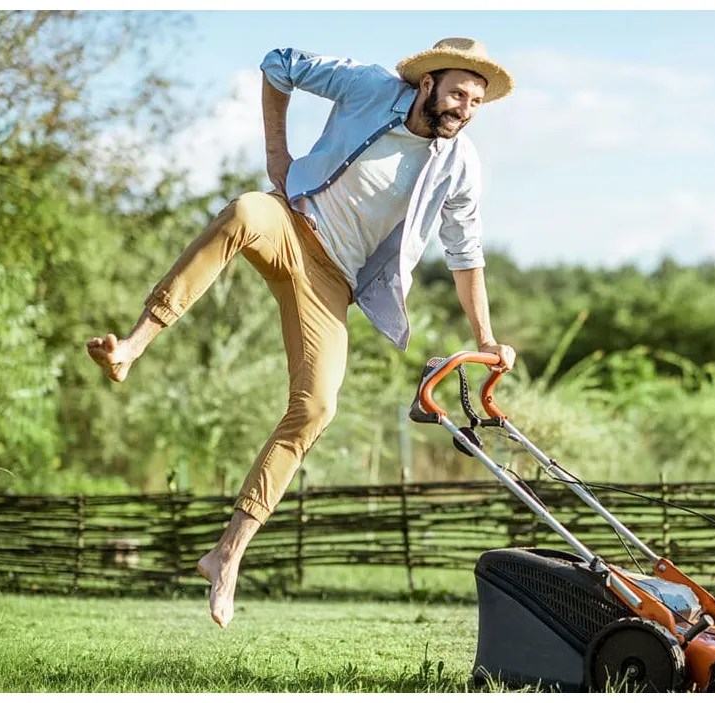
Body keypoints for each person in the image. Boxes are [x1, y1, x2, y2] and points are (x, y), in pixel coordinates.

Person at [86, 37, 517, 628]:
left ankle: (226, 556)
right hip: (289, 223)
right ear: (428, 85)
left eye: (476, 102)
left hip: (331, 282)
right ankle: (132, 346)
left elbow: (466, 256)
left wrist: (487, 338)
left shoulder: (459, 164)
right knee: (242, 211)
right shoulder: (368, 85)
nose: (465, 108)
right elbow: (278, 65)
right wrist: (276, 156)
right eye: (459, 93)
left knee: (316, 408)